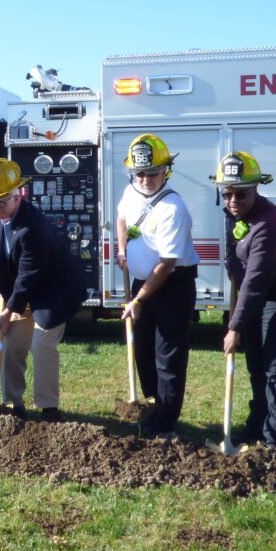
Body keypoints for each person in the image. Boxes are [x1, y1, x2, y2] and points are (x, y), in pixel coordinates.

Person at [210, 152, 276, 453]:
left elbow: (256, 281)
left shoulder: (269, 225)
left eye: (240, 193)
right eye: (227, 193)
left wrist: (234, 327)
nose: (232, 200)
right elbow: (238, 267)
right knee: (256, 366)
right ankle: (256, 428)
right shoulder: (237, 217)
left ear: (256, 189)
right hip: (258, 296)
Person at [0, 158, 83, 422]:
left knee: (41, 344)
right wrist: (8, 306)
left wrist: (9, 309)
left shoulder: (31, 227)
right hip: (27, 292)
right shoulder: (2, 219)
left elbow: (29, 274)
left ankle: (49, 408)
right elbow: (7, 269)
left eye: (1, 201)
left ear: (18, 196)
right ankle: (14, 405)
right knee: (12, 342)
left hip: (55, 292)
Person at [116, 134, 200, 440]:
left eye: (153, 171)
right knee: (143, 351)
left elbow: (166, 264)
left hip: (173, 286)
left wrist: (138, 301)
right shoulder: (130, 192)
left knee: (168, 356)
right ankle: (150, 412)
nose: (146, 178)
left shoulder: (173, 208)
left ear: (166, 171)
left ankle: (165, 424)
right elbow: (122, 217)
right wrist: (122, 249)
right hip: (143, 284)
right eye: (140, 172)